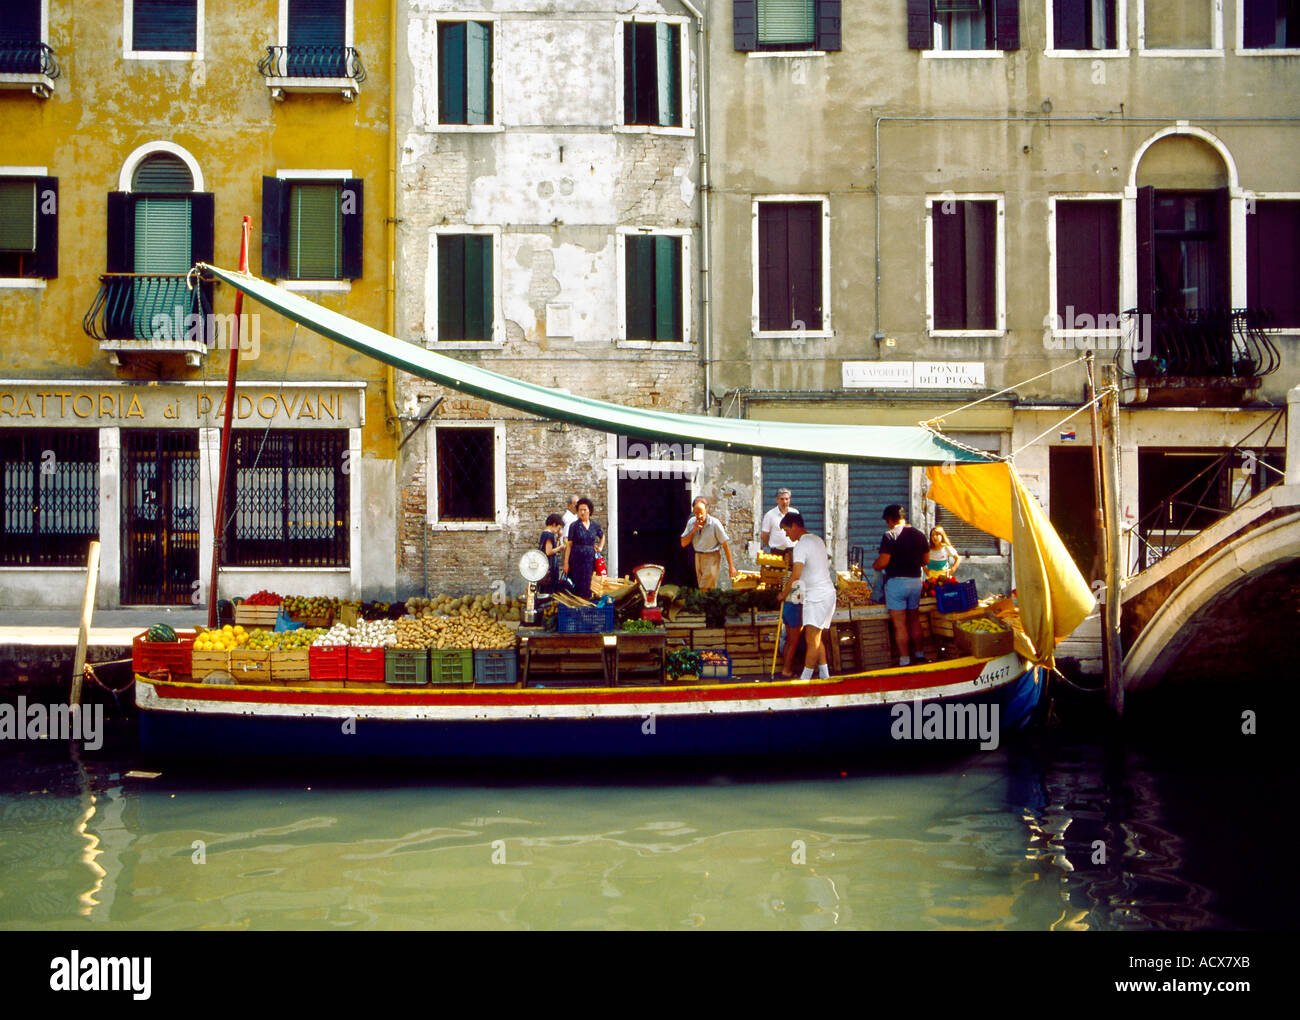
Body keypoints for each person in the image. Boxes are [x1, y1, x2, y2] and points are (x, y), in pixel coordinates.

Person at [777, 512, 836, 681]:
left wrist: (784, 594)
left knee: (811, 639)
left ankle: (805, 679)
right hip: (827, 593)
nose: (787, 535)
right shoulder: (818, 539)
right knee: (816, 638)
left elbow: (796, 576)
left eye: (787, 530)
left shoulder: (801, 545)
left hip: (816, 596)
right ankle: (825, 676)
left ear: (795, 526)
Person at [872, 504, 931, 666]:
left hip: (896, 583)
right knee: (914, 620)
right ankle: (919, 654)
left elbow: (883, 562)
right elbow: (926, 561)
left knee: (899, 624)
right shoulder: (919, 535)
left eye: (887, 521)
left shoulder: (889, 535)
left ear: (890, 520)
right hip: (915, 582)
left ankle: (904, 659)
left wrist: (875, 566)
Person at [680, 497, 737, 590]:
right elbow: (683, 543)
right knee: (704, 588)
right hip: (698, 557)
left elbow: (725, 545)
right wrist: (693, 530)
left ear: (706, 510)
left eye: (701, 513)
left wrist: (731, 566)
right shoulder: (691, 522)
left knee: (705, 589)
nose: (698, 516)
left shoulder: (715, 523)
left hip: (712, 557)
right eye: (696, 513)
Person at [562, 497, 604, 601]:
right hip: (576, 559)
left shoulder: (595, 525)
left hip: (590, 560)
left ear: (589, 510)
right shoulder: (574, 526)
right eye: (580, 510)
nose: (582, 512)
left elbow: (602, 536)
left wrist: (600, 547)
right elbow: (569, 545)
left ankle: (587, 607)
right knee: (576, 585)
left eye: (585, 509)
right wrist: (566, 563)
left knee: (589, 584)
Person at [760, 488, 799, 556]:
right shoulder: (770, 515)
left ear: (789, 500)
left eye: (787, 499)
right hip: (777, 553)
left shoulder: (795, 513)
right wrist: (773, 545)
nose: (784, 502)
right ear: (777, 500)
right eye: (782, 499)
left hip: (793, 552)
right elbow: (764, 536)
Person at [538, 513, 565, 593]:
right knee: (549, 589)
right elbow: (549, 552)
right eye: (558, 528)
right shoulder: (548, 535)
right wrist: (560, 548)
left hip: (547, 565)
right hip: (549, 566)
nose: (558, 531)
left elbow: (553, 548)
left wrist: (559, 537)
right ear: (554, 524)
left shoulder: (546, 534)